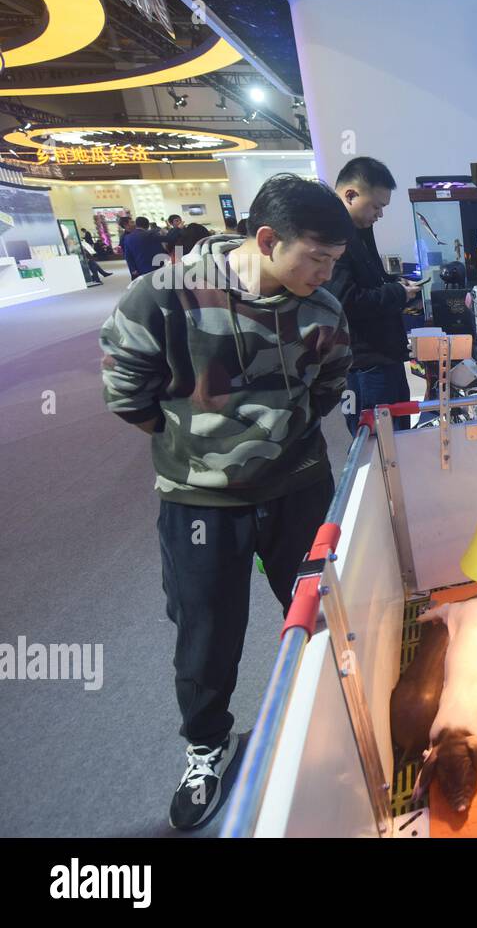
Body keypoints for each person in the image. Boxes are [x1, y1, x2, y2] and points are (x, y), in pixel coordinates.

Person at [98, 173, 354, 830]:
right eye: (315, 257)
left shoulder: (322, 309)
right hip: (200, 503)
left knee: (322, 611)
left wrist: (280, 440)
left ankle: (336, 723)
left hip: (298, 485)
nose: (324, 273)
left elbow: (330, 382)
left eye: (334, 261)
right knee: (207, 632)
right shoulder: (164, 295)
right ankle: (208, 748)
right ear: (267, 239)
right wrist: (195, 451)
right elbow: (126, 387)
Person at [324, 156, 422, 435]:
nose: (379, 214)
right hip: (364, 366)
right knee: (375, 443)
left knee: (397, 436)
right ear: (351, 195)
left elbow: (368, 282)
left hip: (383, 357)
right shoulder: (334, 238)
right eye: (376, 206)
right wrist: (396, 293)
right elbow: (346, 301)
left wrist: (395, 285)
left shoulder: (358, 231)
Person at [121, 215, 167, 280]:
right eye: (131, 222)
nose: (134, 224)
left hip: (144, 266)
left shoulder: (128, 237)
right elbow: (127, 255)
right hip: (144, 266)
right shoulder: (125, 237)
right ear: (126, 225)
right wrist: (133, 269)